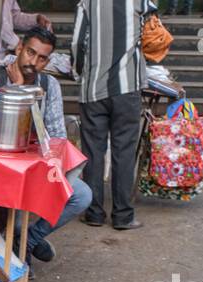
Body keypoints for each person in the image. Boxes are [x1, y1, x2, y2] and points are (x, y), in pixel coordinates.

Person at [0, 26, 92, 267]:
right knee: (17, 220)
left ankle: (28, 241)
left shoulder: (50, 85)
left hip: (37, 167)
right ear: (19, 48)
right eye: (30, 52)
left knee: (81, 196)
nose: (33, 62)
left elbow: (58, 135)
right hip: (2, 170)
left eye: (41, 58)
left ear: (47, 60)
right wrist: (17, 88)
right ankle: (23, 240)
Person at [72, 0, 155, 230]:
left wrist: (80, 73)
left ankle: (94, 213)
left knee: (93, 151)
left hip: (93, 90)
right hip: (127, 88)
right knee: (124, 151)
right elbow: (153, 30)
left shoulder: (87, 3)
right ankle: (123, 216)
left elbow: (77, 43)